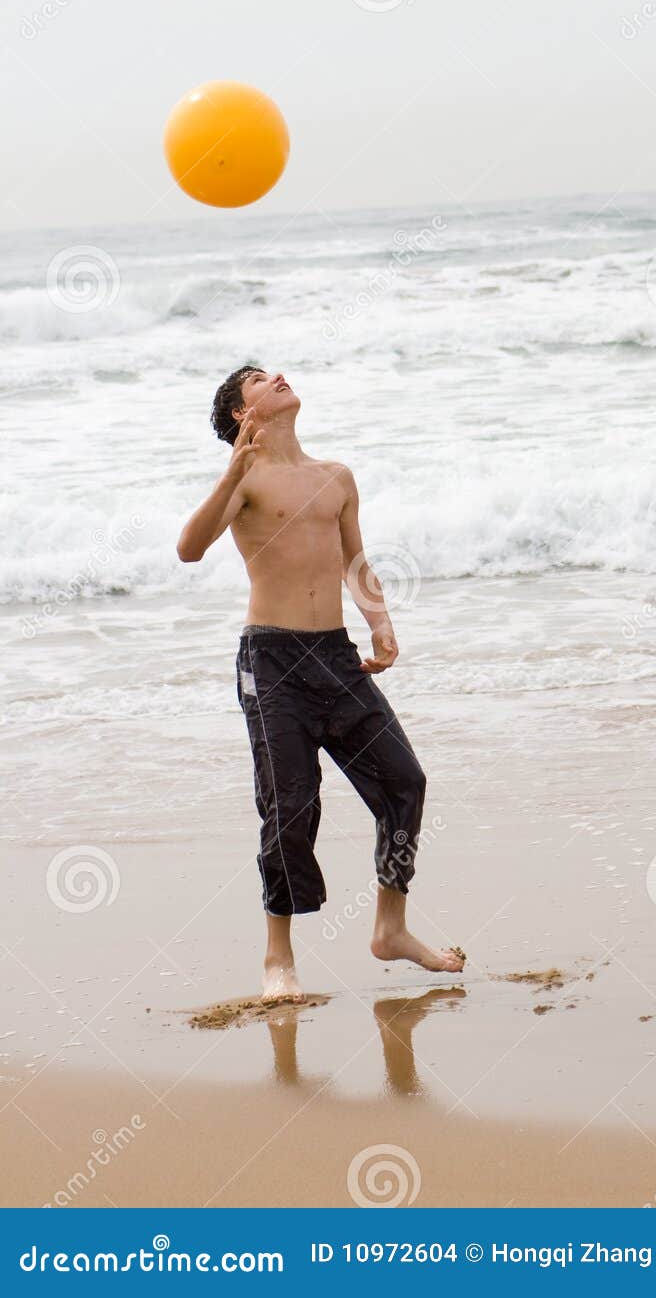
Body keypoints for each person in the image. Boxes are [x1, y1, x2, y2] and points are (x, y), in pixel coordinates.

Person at [175, 363, 465, 1001]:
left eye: (274, 370)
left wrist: (381, 624)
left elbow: (354, 560)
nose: (276, 376)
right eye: (256, 379)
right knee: (290, 803)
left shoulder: (336, 477)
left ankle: (391, 928)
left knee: (404, 782)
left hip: (336, 657)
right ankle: (278, 957)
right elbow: (189, 548)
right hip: (271, 662)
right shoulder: (246, 478)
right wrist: (233, 468)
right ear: (238, 414)